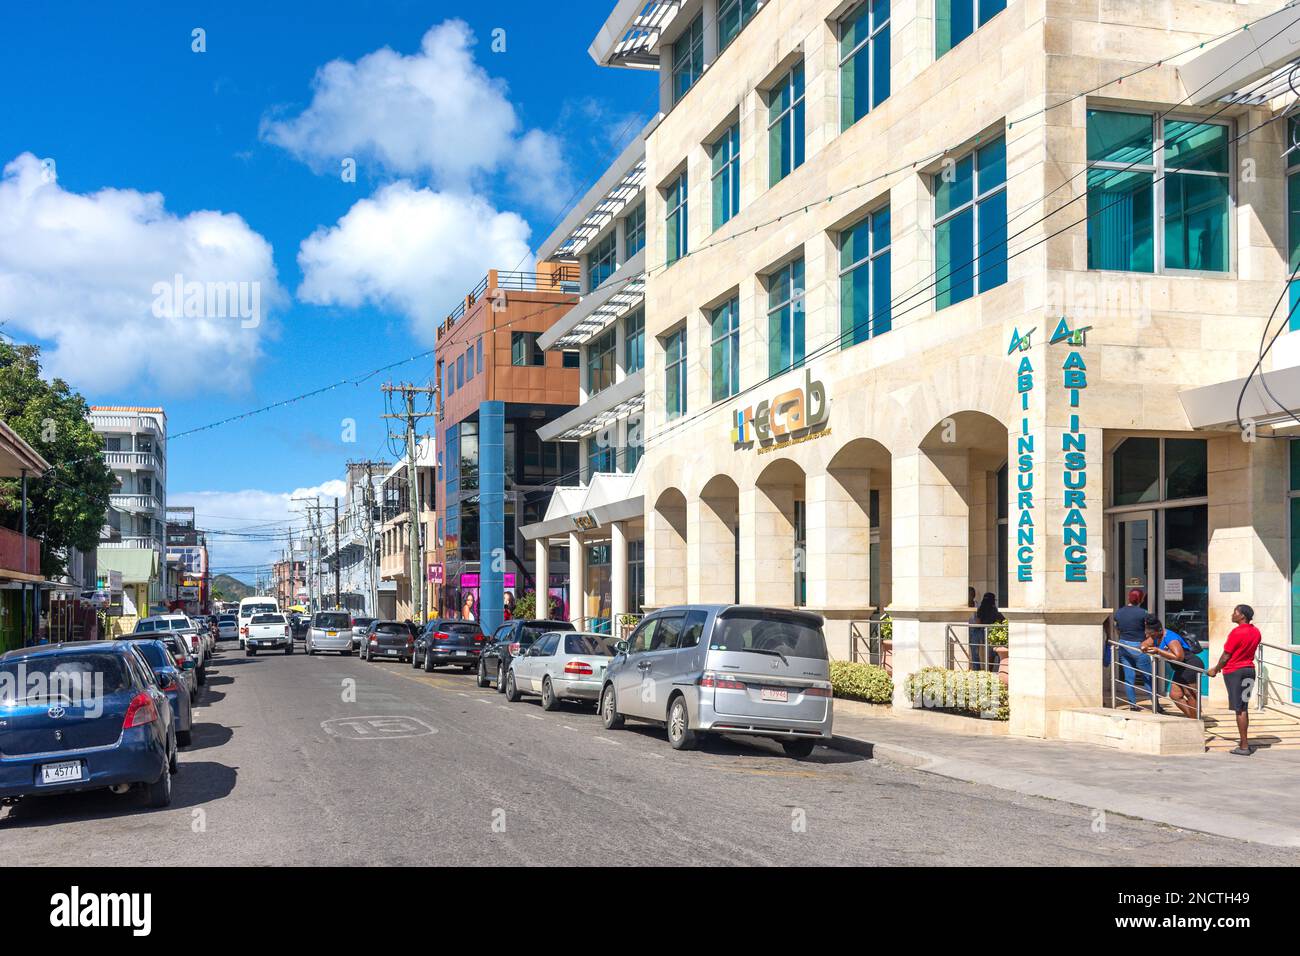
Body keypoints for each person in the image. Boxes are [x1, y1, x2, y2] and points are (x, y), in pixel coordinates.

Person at [1207, 604, 1261, 756]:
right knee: (1243, 707)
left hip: (1235, 672)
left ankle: (1244, 746)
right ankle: (1244, 742)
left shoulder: (1236, 632)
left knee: (1240, 709)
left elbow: (1226, 656)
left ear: (1242, 616)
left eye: (1235, 612)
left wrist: (1215, 669)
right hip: (1249, 670)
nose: (1232, 614)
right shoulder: (1255, 631)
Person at [1141, 615, 1198, 718]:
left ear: (1159, 631)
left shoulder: (1170, 637)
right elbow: (1145, 643)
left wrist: (1158, 650)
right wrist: (1143, 646)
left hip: (1190, 664)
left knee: (1190, 694)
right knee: (1175, 695)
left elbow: (1179, 657)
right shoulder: (1155, 636)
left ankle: (1195, 720)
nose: (1149, 636)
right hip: (1180, 668)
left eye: (1151, 634)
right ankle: (1193, 718)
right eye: (1148, 633)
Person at [1112, 588, 1150, 710]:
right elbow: (1148, 631)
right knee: (1148, 677)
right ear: (1141, 599)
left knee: (1129, 678)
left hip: (1123, 645)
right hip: (1138, 646)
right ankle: (1156, 705)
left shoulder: (1119, 612)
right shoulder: (1143, 613)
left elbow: (1117, 629)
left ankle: (1132, 705)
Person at [968, 592, 1003, 672]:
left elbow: (978, 620)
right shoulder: (994, 609)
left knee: (980, 652)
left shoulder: (981, 608)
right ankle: (992, 670)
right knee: (992, 653)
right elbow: (1001, 619)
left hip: (981, 631)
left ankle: (980, 670)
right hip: (992, 633)